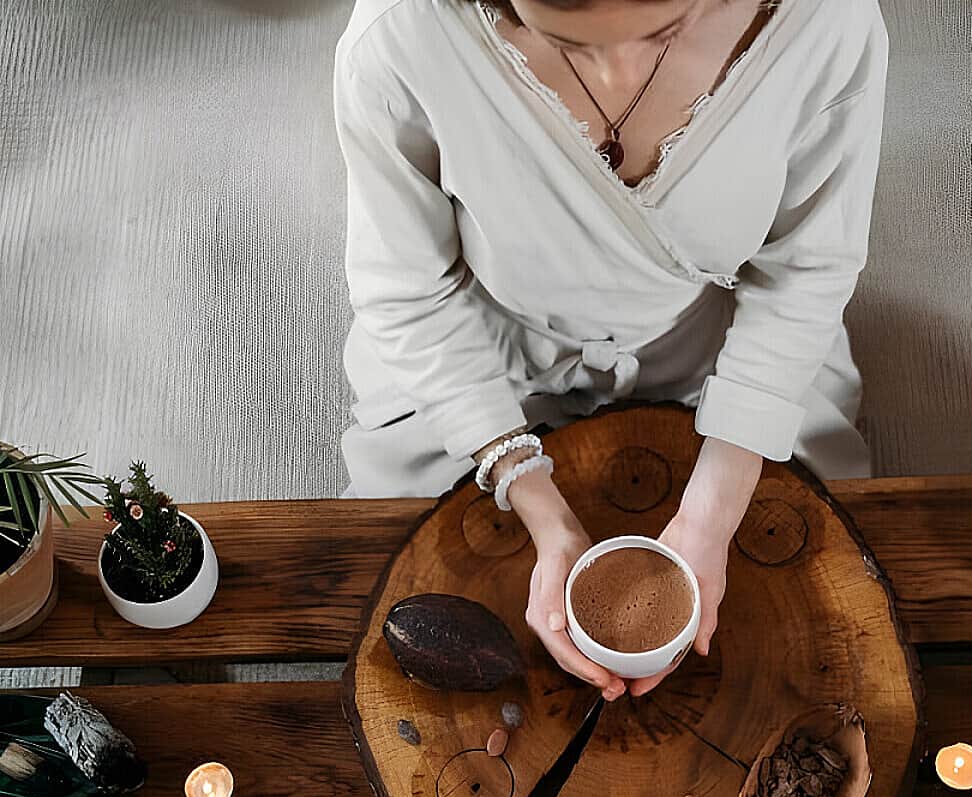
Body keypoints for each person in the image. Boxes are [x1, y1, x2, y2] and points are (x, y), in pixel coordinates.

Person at [334, 0, 888, 703]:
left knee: (814, 578)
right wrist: (536, 501)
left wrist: (710, 514)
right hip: (486, 343)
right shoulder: (400, 34)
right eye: (563, 41)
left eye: (663, 32)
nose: (615, 70)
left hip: (714, 336)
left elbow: (806, 269)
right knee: (403, 580)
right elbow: (410, 292)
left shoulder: (828, 23)